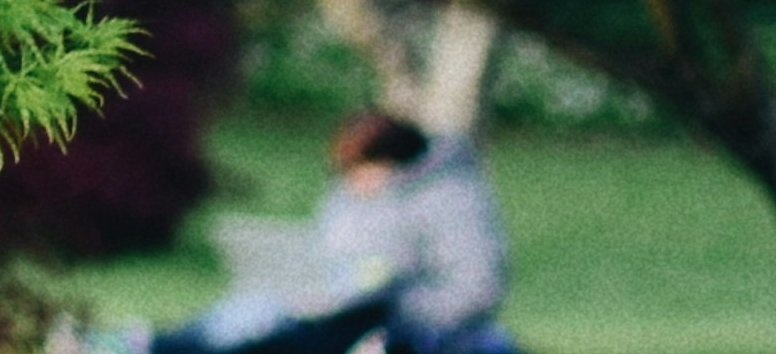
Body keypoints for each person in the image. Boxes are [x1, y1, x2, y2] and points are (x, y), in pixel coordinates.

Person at [101, 111, 518, 354]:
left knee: (283, 330)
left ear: (394, 162)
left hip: (402, 316)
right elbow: (331, 247)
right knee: (255, 309)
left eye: (364, 173)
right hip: (335, 299)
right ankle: (150, 342)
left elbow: (477, 285)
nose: (355, 185)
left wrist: (395, 302)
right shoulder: (350, 193)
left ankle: (156, 347)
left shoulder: (450, 198)